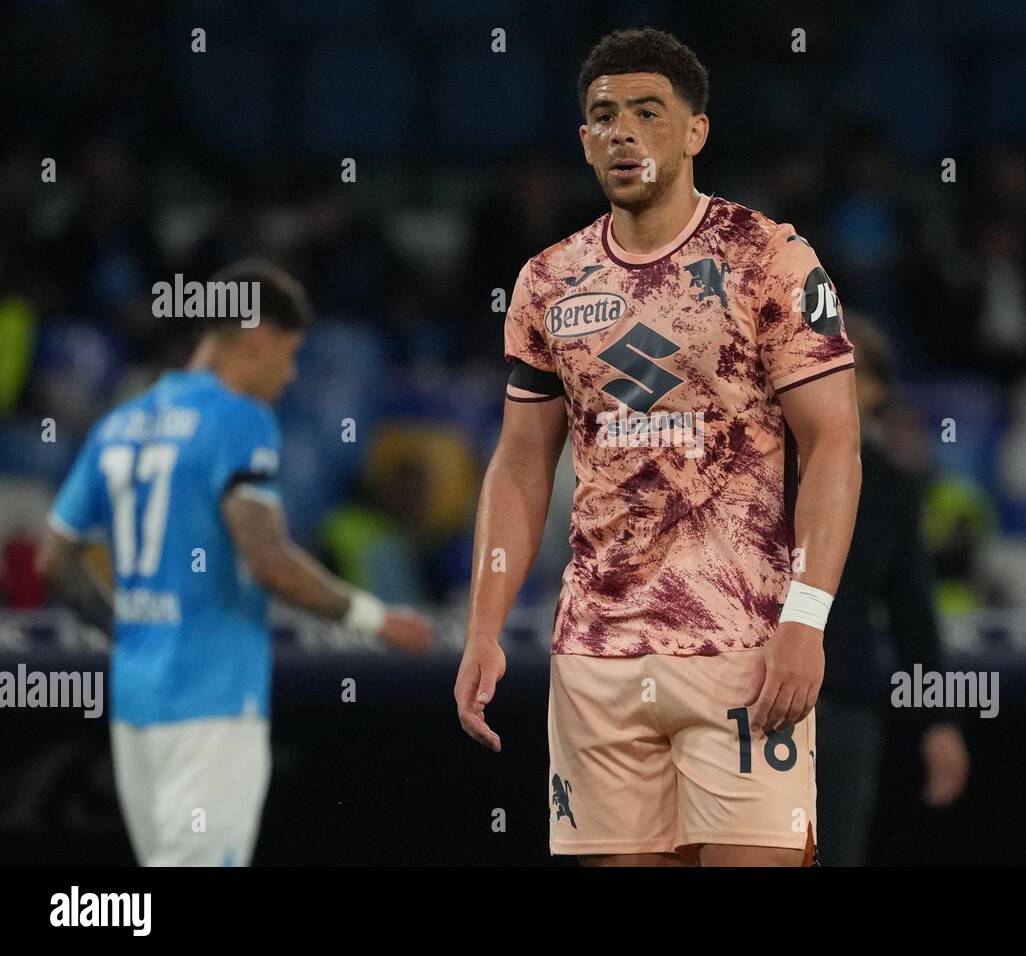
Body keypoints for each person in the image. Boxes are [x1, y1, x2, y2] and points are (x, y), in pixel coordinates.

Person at [454, 28, 861, 867]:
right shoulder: (547, 282)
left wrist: (806, 620)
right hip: (595, 658)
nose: (623, 132)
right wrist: (484, 626)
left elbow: (835, 446)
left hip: (743, 648)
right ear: (583, 140)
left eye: (648, 111)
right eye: (604, 116)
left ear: (696, 130)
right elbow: (522, 467)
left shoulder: (767, 256)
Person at [36, 259, 432, 866]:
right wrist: (372, 618)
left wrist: (127, 631)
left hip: (138, 704)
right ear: (258, 338)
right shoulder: (239, 419)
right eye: (291, 352)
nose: (291, 372)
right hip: (212, 701)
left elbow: (53, 559)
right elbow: (268, 560)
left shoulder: (122, 422)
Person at [817, 314, 970, 866]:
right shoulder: (746, 469)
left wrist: (938, 724)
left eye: (844, 365)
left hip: (843, 711)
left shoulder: (890, 488)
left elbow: (913, 617)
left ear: (877, 389)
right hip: (741, 711)